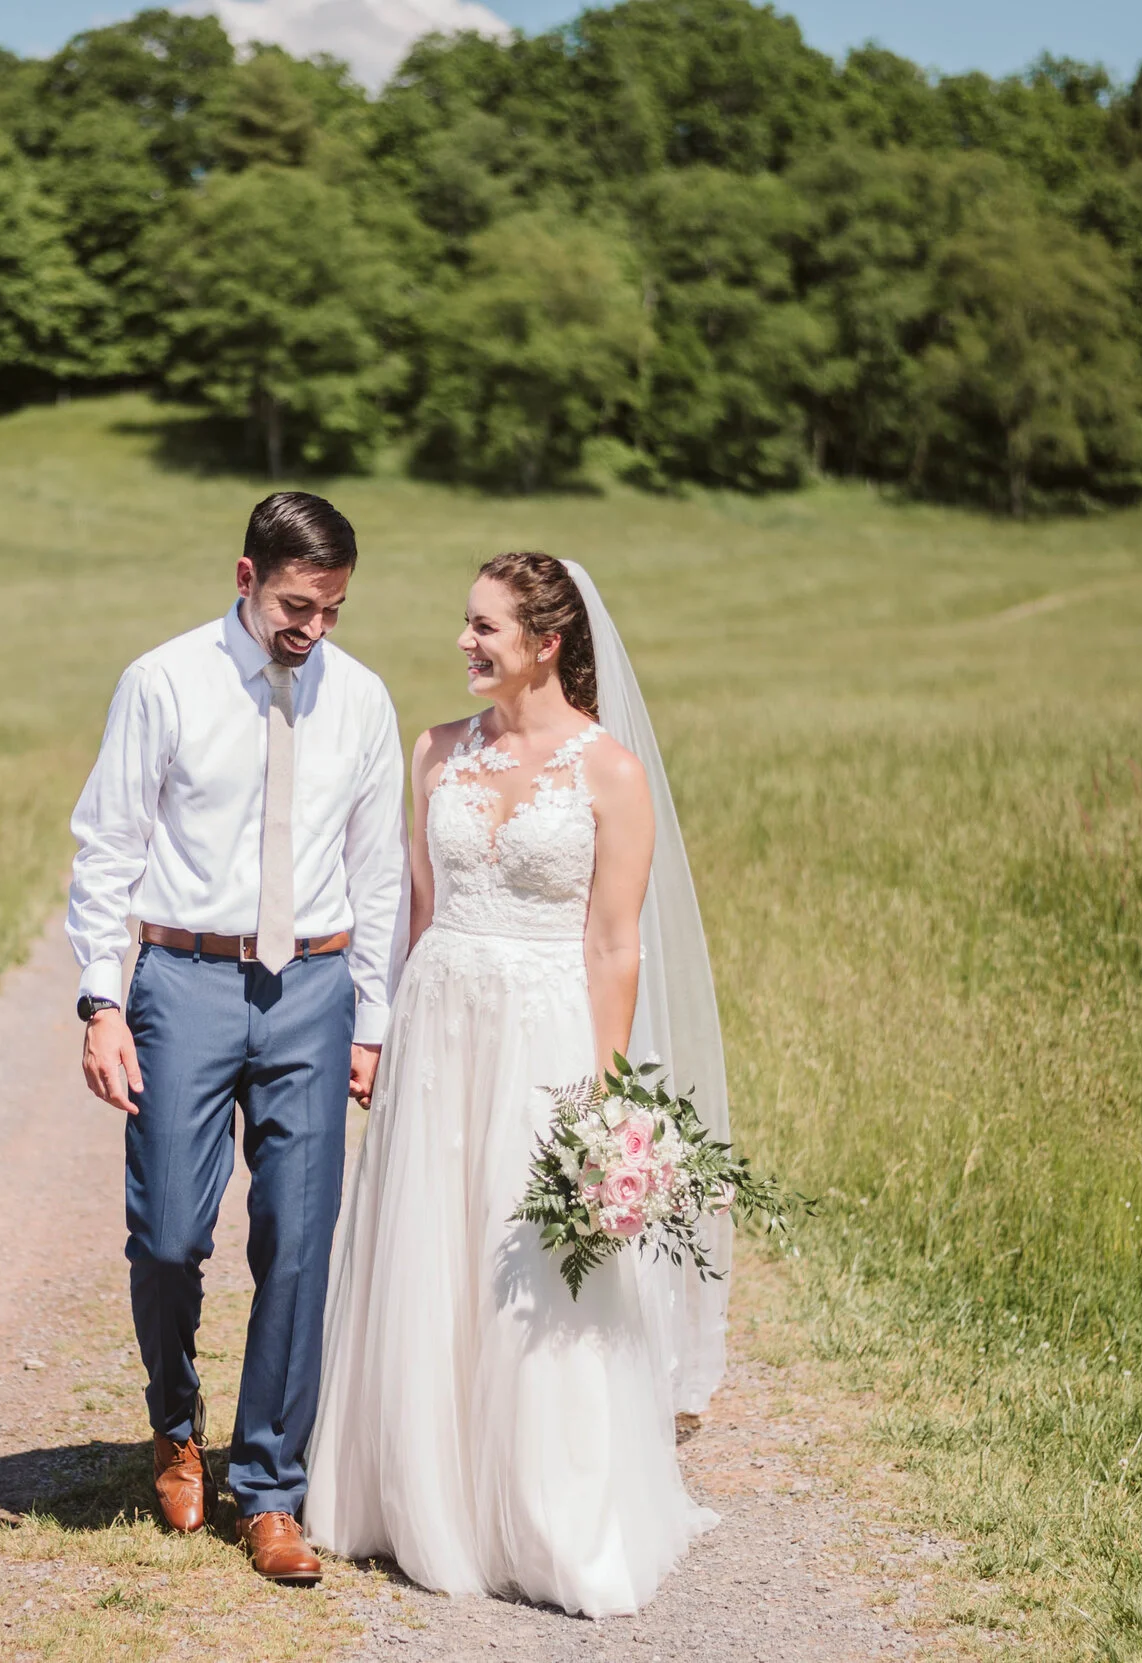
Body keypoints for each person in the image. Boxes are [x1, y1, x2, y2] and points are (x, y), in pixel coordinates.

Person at [306, 551, 728, 1616]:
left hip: (545, 1036)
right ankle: (416, 1494)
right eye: (466, 621)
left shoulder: (609, 772)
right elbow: (413, 908)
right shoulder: (434, 751)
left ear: (546, 643)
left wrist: (607, 1097)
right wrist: (380, 1033)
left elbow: (615, 945)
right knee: (427, 1250)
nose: (464, 640)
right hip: (439, 1028)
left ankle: (550, 1513)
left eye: (485, 626)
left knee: (532, 1267)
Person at [67, 491, 406, 1585]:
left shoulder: (362, 699)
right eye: (299, 605)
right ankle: (175, 1423)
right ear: (247, 576)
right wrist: (101, 1001)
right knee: (169, 1232)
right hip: (185, 978)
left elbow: (379, 872)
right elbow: (107, 845)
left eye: (334, 609)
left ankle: (269, 1488)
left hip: (315, 987)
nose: (314, 627)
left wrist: (371, 1018)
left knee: (298, 1242)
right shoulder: (162, 681)